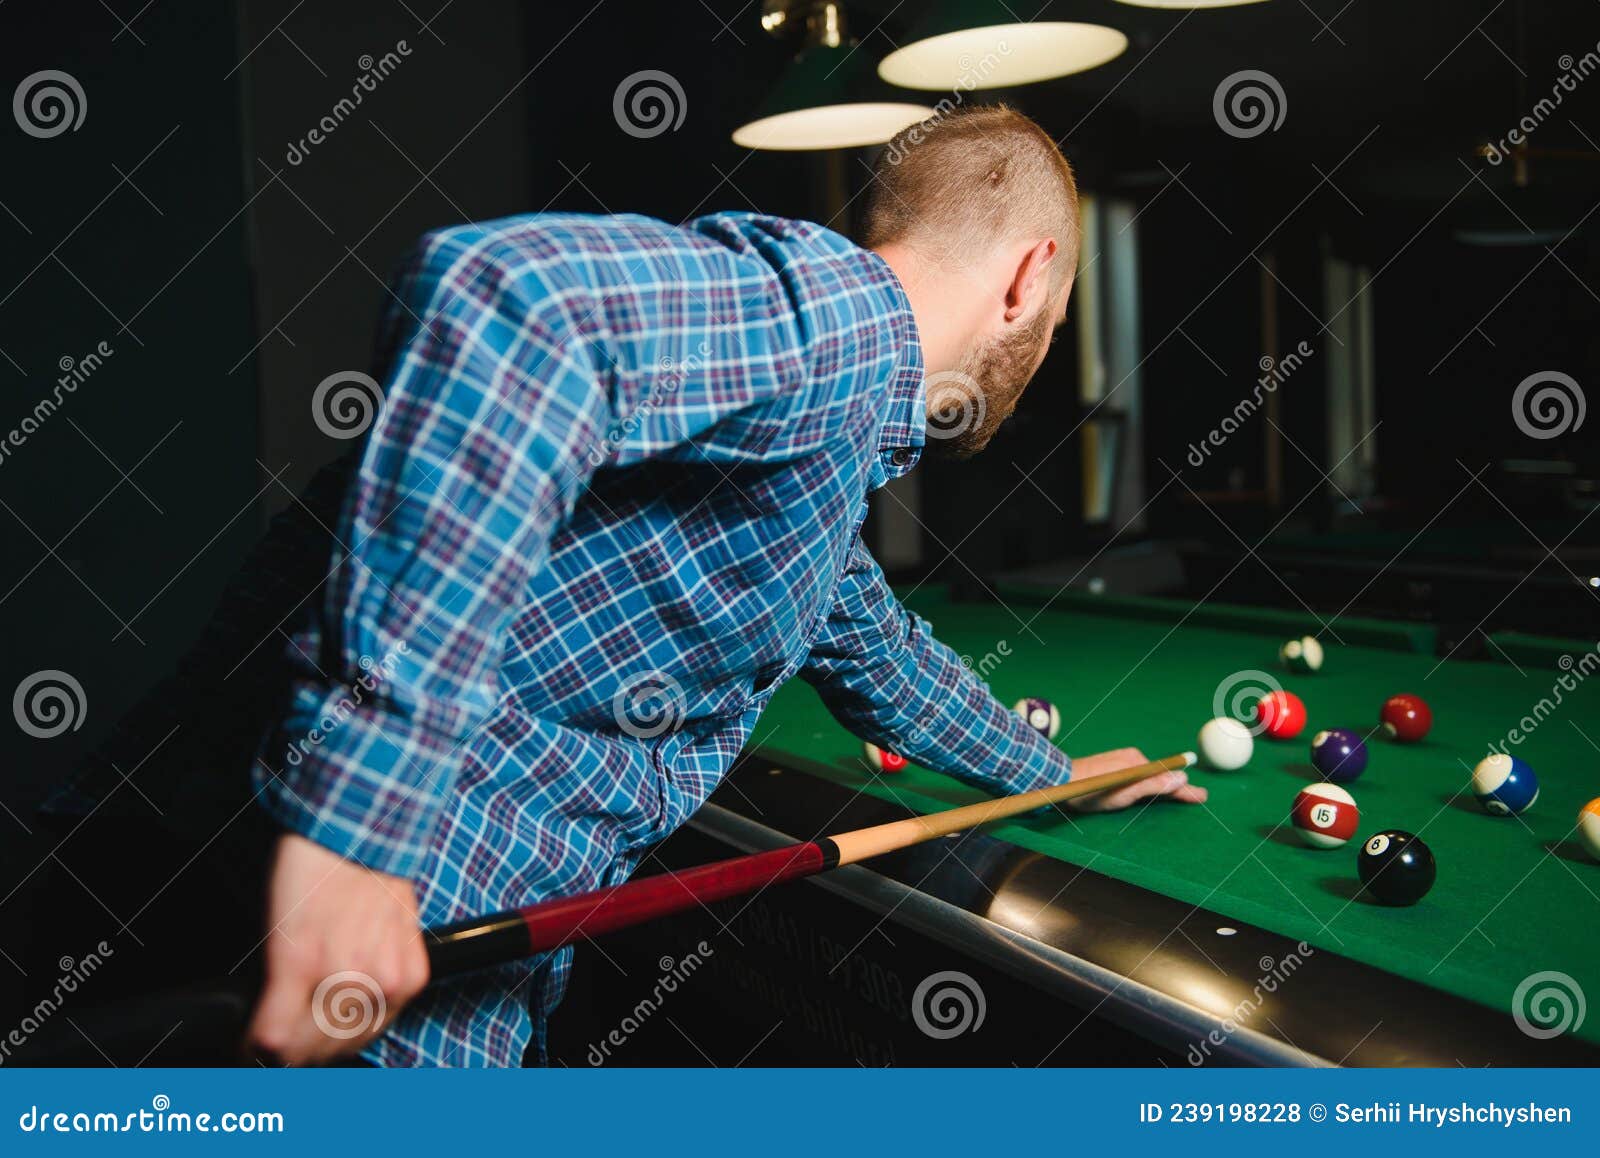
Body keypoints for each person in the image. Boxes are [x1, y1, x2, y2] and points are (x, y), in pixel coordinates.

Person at [50, 104, 1207, 1068]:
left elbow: (872, 645)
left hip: (373, 896)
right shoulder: (851, 325)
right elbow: (514, 302)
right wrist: (361, 833)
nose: (1046, 344)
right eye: (1057, 325)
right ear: (1029, 279)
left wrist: (1050, 773)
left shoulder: (822, 446)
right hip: (400, 897)